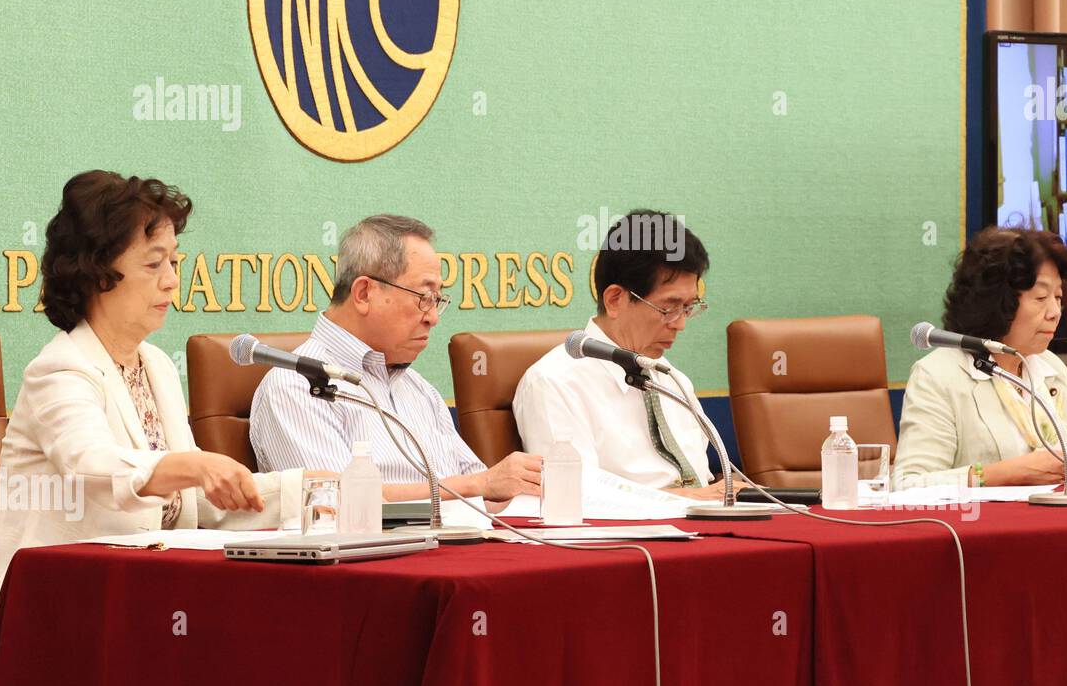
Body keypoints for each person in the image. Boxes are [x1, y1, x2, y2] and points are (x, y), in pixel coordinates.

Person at [0, 171, 303, 624]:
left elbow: (194, 506)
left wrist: (304, 490)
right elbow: (92, 467)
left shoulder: (156, 366)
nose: (172, 281)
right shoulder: (61, 369)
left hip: (141, 598)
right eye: (154, 265)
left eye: (174, 262)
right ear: (97, 274)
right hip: (48, 611)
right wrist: (195, 465)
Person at [251, 214, 541, 510]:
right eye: (424, 297)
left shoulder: (419, 390)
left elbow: (485, 492)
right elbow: (337, 503)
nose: (433, 317)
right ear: (364, 293)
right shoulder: (296, 384)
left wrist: (523, 486)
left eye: (438, 300)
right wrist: (478, 486)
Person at [514, 209, 737, 498]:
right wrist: (687, 500)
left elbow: (704, 481)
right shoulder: (553, 382)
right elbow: (575, 494)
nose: (680, 323)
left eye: (688, 307)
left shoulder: (671, 379)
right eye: (668, 308)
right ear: (615, 299)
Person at [895, 227, 1067, 488]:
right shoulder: (939, 376)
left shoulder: (1049, 367)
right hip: (980, 527)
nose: (1055, 312)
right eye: (1041, 297)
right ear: (998, 302)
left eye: (1059, 297)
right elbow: (908, 484)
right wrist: (1002, 474)